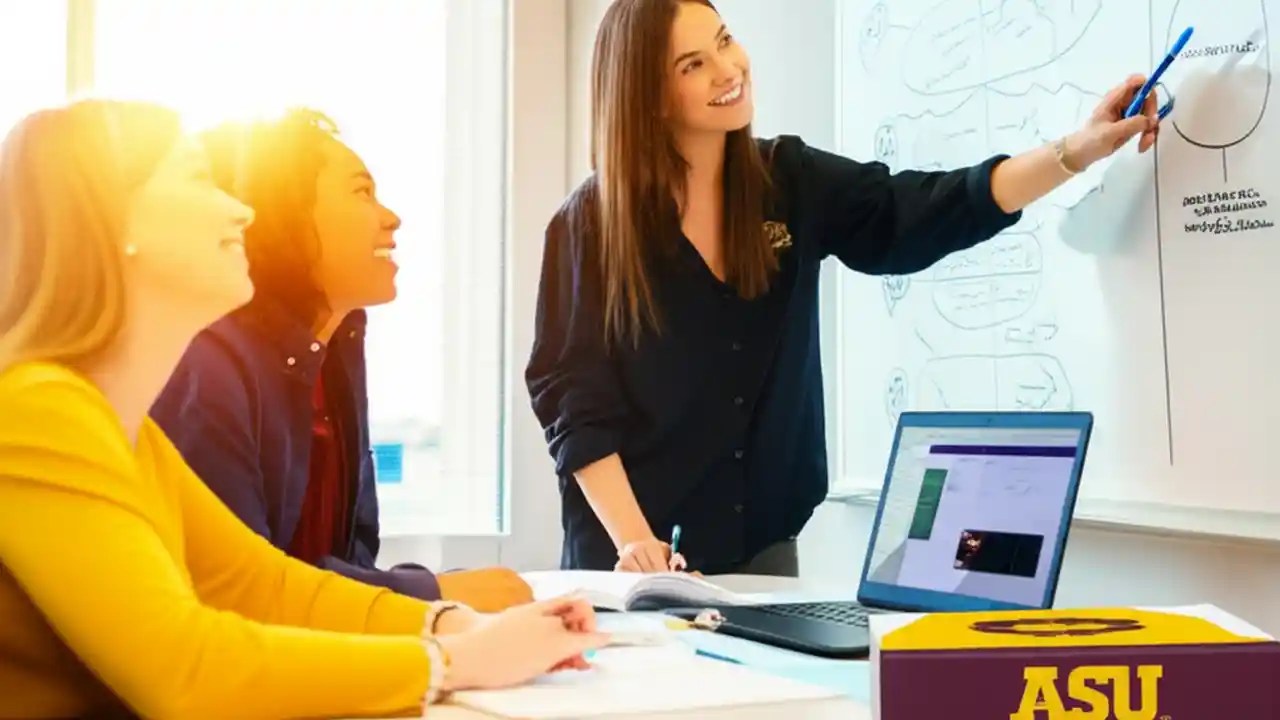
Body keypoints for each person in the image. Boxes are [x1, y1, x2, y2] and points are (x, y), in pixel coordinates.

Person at [0, 99, 604, 719]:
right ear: (111, 218)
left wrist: (455, 622)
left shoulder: (124, 434)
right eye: (196, 179)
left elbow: (260, 587)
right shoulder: (37, 411)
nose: (240, 209)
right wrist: (458, 662)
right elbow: (189, 670)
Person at [525, 0, 1161, 575]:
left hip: (761, 549)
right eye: (694, 63)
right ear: (650, 95)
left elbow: (917, 208)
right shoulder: (589, 225)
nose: (728, 69)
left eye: (725, 40)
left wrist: (1076, 150)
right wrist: (640, 548)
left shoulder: (787, 180)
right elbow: (573, 402)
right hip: (627, 563)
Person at [150, 108, 532, 612]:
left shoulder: (338, 345)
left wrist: (438, 599)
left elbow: (345, 555)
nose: (390, 217)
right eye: (361, 192)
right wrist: (432, 594)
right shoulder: (207, 362)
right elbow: (235, 589)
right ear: (280, 211)